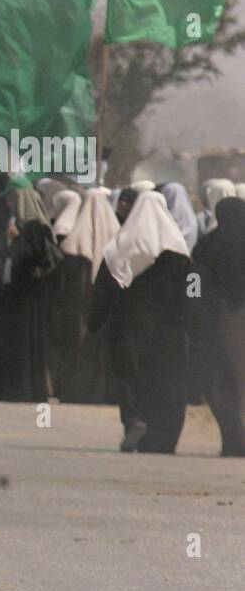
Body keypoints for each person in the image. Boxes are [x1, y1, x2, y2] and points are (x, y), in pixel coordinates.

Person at [88, 191, 194, 454]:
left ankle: (135, 421)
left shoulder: (118, 250)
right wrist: (194, 321)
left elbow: (103, 290)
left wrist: (93, 322)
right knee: (166, 383)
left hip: (129, 330)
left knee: (132, 380)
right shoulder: (181, 255)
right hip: (169, 333)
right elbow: (194, 292)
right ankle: (163, 438)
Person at [0, 186, 61, 402]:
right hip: (24, 294)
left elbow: (34, 258)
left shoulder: (33, 226)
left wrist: (17, 238)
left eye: (12, 199)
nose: (9, 204)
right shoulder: (28, 225)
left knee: (26, 341)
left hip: (28, 295)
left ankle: (25, 390)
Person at [54, 188, 120, 404]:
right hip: (105, 304)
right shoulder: (118, 236)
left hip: (79, 305)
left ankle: (75, 389)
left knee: (78, 345)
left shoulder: (75, 240)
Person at [191, 196, 245, 456]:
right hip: (232, 318)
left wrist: (194, 306)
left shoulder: (206, 245)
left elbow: (193, 282)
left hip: (217, 320)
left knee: (222, 381)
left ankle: (232, 440)